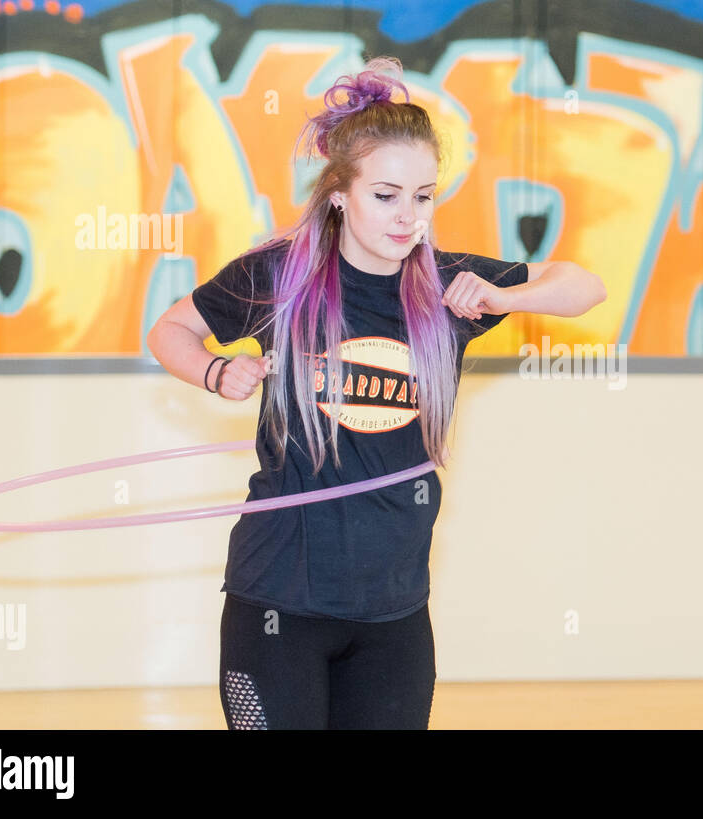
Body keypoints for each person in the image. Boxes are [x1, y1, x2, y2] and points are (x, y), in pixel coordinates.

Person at [146, 56, 606, 729]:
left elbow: (584, 284)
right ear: (340, 193)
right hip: (280, 602)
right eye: (385, 195)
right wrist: (217, 372)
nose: (407, 217)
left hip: (393, 614)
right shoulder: (282, 277)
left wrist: (507, 294)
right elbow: (171, 329)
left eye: (423, 197)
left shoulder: (448, 290)